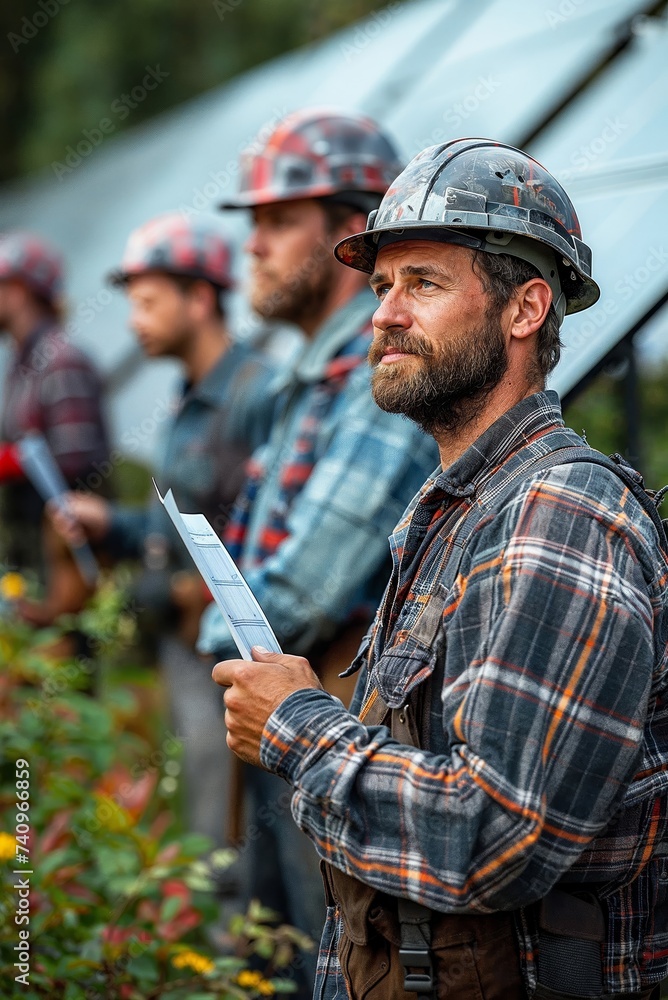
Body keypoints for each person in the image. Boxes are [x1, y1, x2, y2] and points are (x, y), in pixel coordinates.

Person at [213, 138, 668, 999]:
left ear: (526, 308)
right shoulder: (460, 509)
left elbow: (498, 836)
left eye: (422, 284)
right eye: (381, 286)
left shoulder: (556, 520)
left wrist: (297, 727)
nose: (382, 313)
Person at [197, 109, 439, 992]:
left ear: (348, 230)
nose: (251, 247)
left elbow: (299, 588)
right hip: (294, 725)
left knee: (334, 961)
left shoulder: (381, 385)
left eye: (275, 221)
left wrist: (208, 647)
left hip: (342, 739)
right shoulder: (312, 384)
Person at [54, 212, 276, 848]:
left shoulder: (258, 396)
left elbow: (278, 530)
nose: (133, 320)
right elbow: (169, 528)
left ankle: (246, 941)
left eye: (148, 302)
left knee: (237, 818)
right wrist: (110, 523)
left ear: (200, 298)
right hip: (187, 646)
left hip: (238, 652)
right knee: (206, 807)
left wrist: (203, 595)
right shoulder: (185, 398)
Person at [0, 231, 111, 623]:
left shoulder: (61, 359)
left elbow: (77, 458)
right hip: (34, 545)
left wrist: (9, 462)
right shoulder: (21, 364)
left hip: (70, 553)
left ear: (18, 291)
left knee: (69, 657)